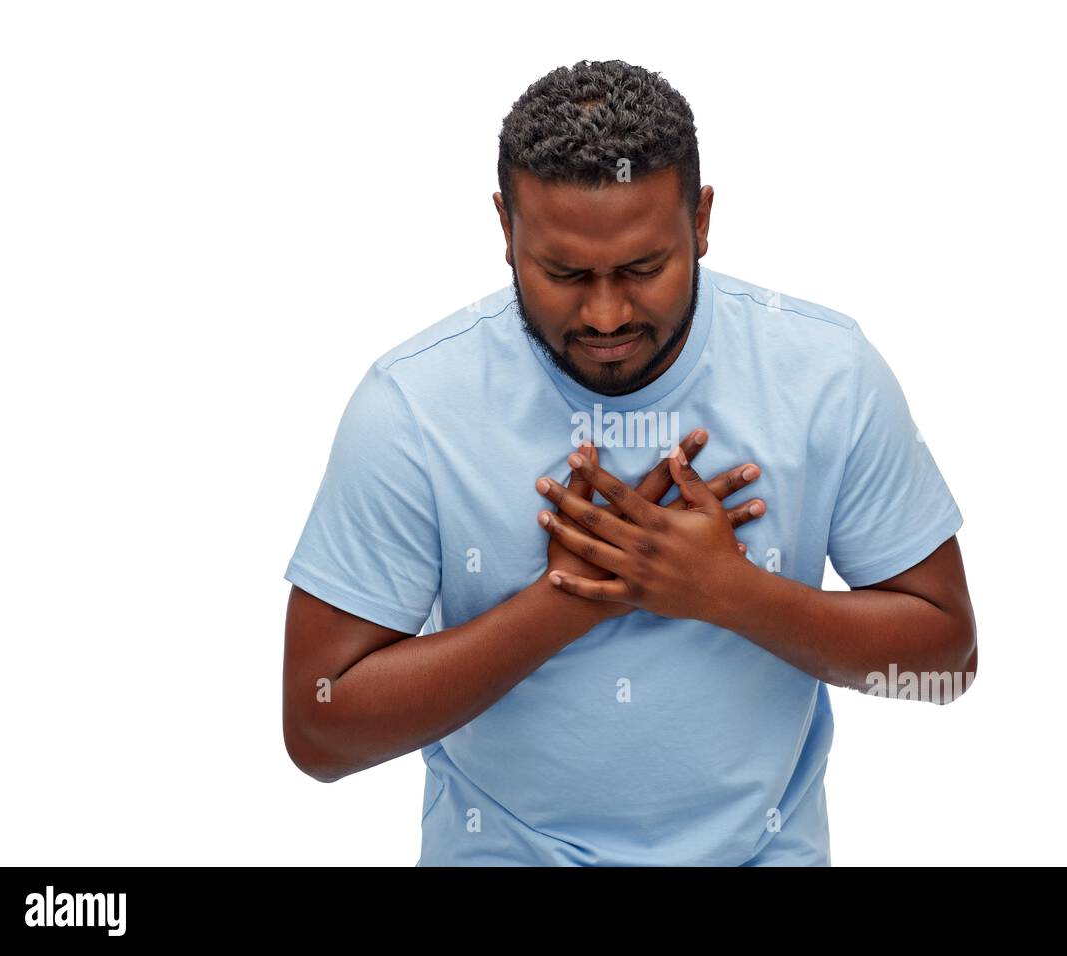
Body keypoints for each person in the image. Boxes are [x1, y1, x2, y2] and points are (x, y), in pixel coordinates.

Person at [282, 59, 976, 866]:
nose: (606, 314)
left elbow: (945, 662)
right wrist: (567, 602)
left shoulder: (827, 374)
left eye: (644, 269)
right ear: (505, 230)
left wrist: (728, 592)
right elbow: (319, 731)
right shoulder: (411, 407)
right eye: (564, 273)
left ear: (702, 220)